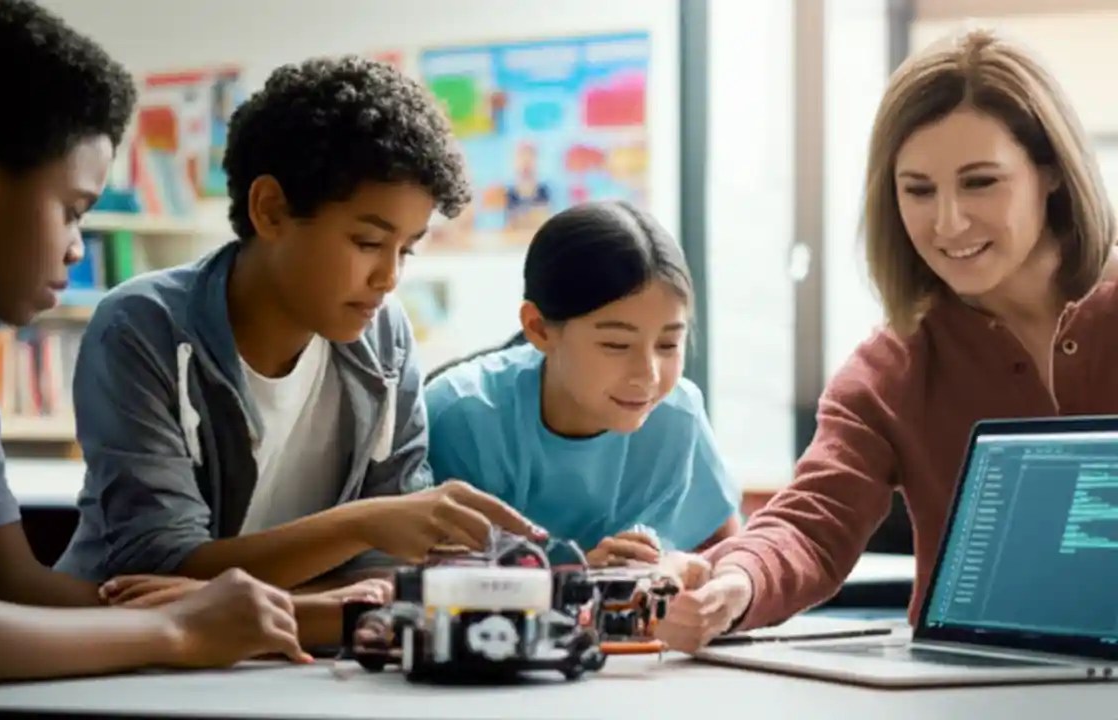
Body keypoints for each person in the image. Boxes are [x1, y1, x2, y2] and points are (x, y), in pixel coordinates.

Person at [0, 0, 312, 691]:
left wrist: (267, 616)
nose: (74, 248)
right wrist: (175, 631)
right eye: (73, 210)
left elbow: (3, 580)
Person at [654, 28, 1118, 652]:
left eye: (980, 182)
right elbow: (812, 523)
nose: (948, 222)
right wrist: (736, 579)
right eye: (918, 190)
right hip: (972, 692)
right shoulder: (890, 368)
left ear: (1051, 174)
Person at [54, 55, 544, 614]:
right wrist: (364, 528)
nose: (388, 279)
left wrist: (338, 587)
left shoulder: (385, 338)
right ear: (270, 209)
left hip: (301, 659)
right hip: (126, 659)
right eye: (366, 243)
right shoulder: (143, 328)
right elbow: (158, 567)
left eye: (405, 250)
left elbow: (390, 571)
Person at [423, 200, 742, 569]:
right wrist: (581, 579)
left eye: (669, 344)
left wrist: (676, 567)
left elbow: (729, 557)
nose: (649, 375)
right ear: (539, 329)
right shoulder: (461, 416)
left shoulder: (677, 413)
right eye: (616, 345)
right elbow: (427, 584)